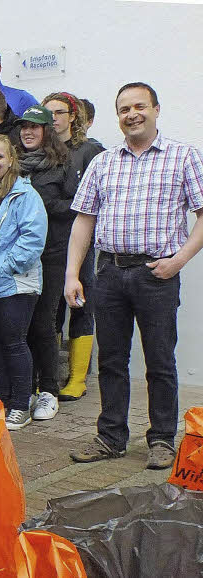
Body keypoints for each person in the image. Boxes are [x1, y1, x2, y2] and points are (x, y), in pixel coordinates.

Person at [67, 82, 203, 470]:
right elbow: (84, 221)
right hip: (108, 272)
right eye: (124, 109)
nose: (132, 114)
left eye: (139, 106)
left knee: (160, 361)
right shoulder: (104, 162)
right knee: (111, 360)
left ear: (156, 109)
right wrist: (72, 274)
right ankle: (111, 437)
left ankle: (161, 439)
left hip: (156, 274)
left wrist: (178, 261)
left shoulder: (184, 157)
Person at [0, 134, 47, 430]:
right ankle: (1, 400)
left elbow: (33, 238)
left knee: (14, 343)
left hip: (16, 283)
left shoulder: (24, 194)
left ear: (11, 160)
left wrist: (6, 267)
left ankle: (21, 404)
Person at [43, 92, 105, 401]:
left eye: (59, 111)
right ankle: (49, 375)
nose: (53, 117)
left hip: (79, 242)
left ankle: (77, 378)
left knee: (81, 306)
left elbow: (96, 200)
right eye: (48, 112)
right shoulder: (40, 151)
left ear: (73, 116)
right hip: (46, 242)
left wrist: (55, 204)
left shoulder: (89, 151)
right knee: (50, 311)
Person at [17, 105, 69, 421]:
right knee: (18, 326)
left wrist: (46, 205)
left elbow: (79, 206)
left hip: (50, 256)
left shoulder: (62, 165)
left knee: (42, 325)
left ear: (47, 131)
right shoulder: (13, 165)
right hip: (19, 257)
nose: (28, 131)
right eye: (24, 127)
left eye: (35, 127)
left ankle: (49, 390)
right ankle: (27, 389)